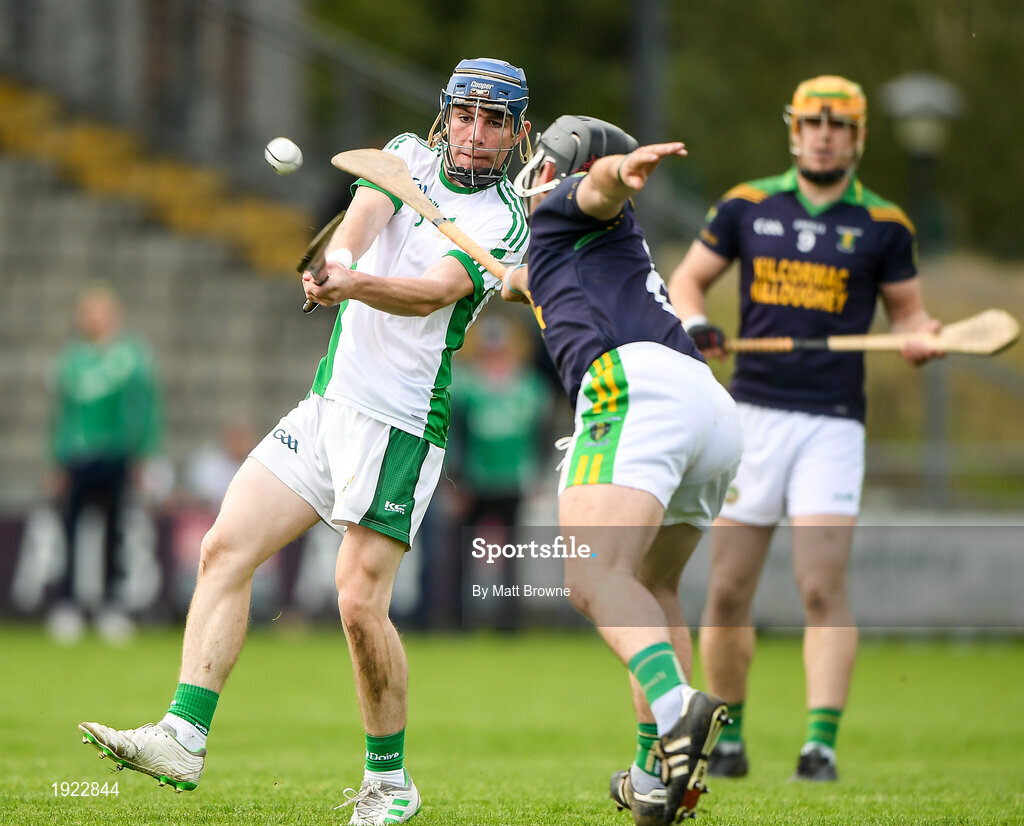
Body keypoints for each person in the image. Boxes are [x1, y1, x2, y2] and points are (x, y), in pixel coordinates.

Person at [78, 57, 531, 826]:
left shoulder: (508, 221)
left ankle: (390, 784)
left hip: (401, 424)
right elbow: (364, 220)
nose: (475, 132)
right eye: (465, 114)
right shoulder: (405, 157)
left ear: (517, 134)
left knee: (358, 601)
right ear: (445, 115)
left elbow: (435, 293)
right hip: (327, 408)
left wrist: (354, 286)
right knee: (224, 548)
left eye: (493, 120)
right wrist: (340, 265)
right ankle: (184, 735)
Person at [667, 75, 944, 783]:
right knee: (728, 590)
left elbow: (909, 313)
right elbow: (687, 282)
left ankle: (819, 748)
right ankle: (726, 738)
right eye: (814, 122)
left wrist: (920, 335)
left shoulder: (886, 225)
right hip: (752, 413)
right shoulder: (747, 205)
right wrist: (696, 326)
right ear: (794, 130)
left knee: (821, 587)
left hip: (832, 424)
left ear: (857, 137)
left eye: (839, 124)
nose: (825, 134)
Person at [506, 115, 742, 825]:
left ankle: (678, 716)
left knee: (591, 575)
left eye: (546, 158)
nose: (535, 169)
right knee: (651, 584)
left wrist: (616, 173)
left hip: (634, 389)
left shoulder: (570, 203)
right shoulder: (565, 250)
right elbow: (519, 282)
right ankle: (652, 777)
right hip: (708, 408)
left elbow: (598, 190)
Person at [48, 283, 163, 644]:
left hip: (115, 454)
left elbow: (146, 409)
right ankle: (68, 605)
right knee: (71, 532)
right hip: (78, 456)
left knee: (115, 532)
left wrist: (144, 453)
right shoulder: (73, 359)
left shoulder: (131, 357)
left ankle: (112, 605)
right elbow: (61, 415)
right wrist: (55, 458)